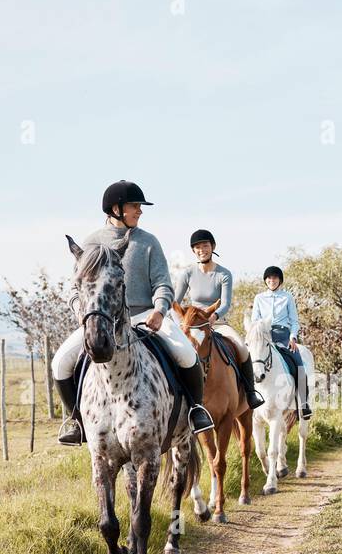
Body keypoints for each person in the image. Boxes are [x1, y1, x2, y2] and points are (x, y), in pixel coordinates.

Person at [51, 181, 215, 444]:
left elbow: (163, 283)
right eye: (134, 206)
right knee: (60, 362)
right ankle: (76, 421)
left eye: (139, 207)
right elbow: (75, 288)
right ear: (116, 209)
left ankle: (196, 410)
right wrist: (83, 314)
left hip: (145, 316)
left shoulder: (148, 242)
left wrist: (160, 311)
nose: (139, 211)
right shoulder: (91, 243)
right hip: (100, 320)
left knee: (186, 353)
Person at [173, 228, 264, 411]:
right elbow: (175, 301)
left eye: (205, 245)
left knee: (241, 347)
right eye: (197, 247)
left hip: (217, 322)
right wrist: (182, 321)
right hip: (194, 324)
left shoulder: (224, 274)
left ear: (212, 247)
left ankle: (250, 393)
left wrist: (214, 316)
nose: (201, 249)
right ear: (193, 250)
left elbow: (225, 303)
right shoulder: (187, 273)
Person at [251, 265, 312, 420]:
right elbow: (254, 321)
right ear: (266, 280)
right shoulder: (259, 298)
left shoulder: (287, 297)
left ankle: (303, 405)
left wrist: (293, 337)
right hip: (263, 335)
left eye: (275, 278)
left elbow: (294, 321)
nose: (272, 281)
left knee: (299, 365)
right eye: (269, 278)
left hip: (283, 335)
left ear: (280, 280)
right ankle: (248, 399)